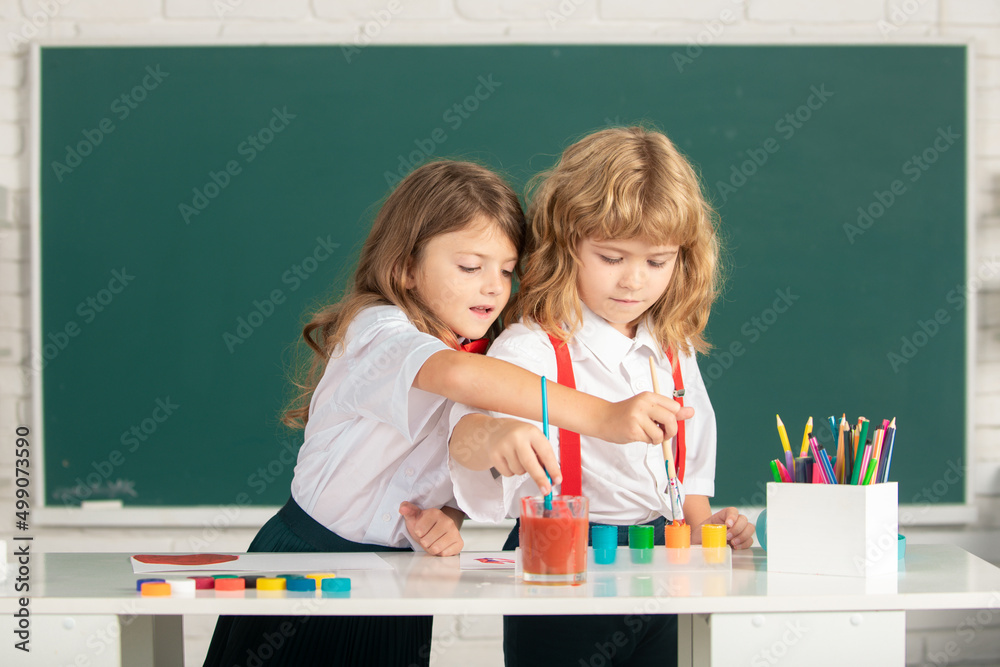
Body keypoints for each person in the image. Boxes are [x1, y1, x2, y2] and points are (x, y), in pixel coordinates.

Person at [204, 159, 688, 667]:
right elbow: (456, 377)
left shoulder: (480, 351)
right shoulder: (378, 332)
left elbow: (450, 461)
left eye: (505, 270)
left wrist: (449, 515)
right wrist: (606, 417)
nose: (493, 287)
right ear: (406, 268)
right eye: (469, 266)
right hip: (313, 566)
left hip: (398, 581)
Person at [448, 127, 755, 667]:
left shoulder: (673, 349)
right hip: (564, 564)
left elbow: (689, 490)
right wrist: (495, 437)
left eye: (657, 262)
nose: (634, 280)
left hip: (666, 560)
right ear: (569, 244)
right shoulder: (534, 349)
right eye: (612, 257)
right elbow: (467, 440)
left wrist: (715, 527)